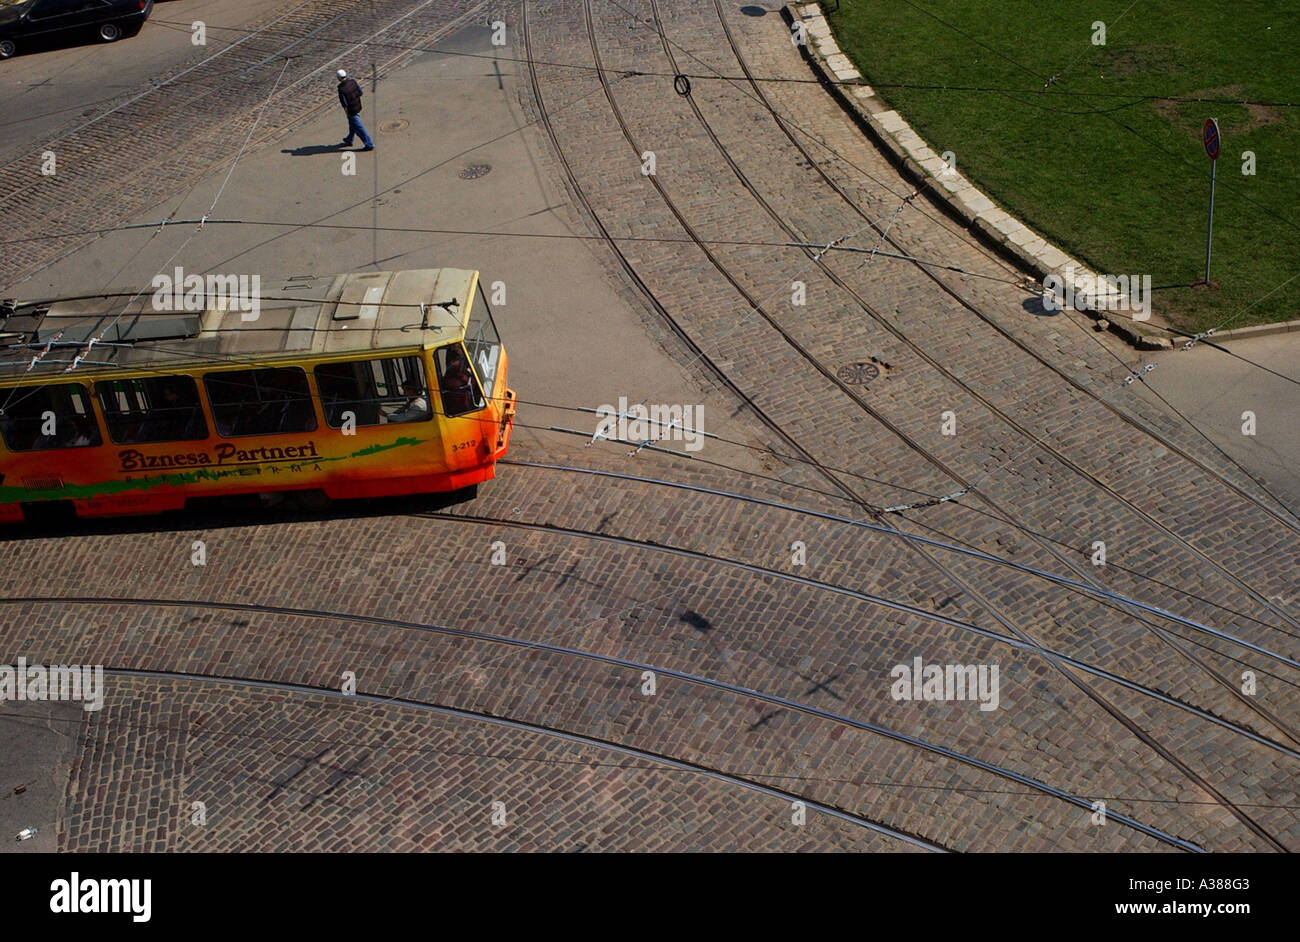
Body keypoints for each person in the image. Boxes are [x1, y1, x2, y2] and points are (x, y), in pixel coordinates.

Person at [336, 69, 374, 151]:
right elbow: (360, 93)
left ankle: (369, 144)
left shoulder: (341, 89)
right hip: (358, 105)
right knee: (353, 123)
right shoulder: (353, 82)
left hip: (351, 110)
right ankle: (349, 139)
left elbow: (344, 104)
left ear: (339, 78)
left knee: (359, 127)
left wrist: (347, 114)